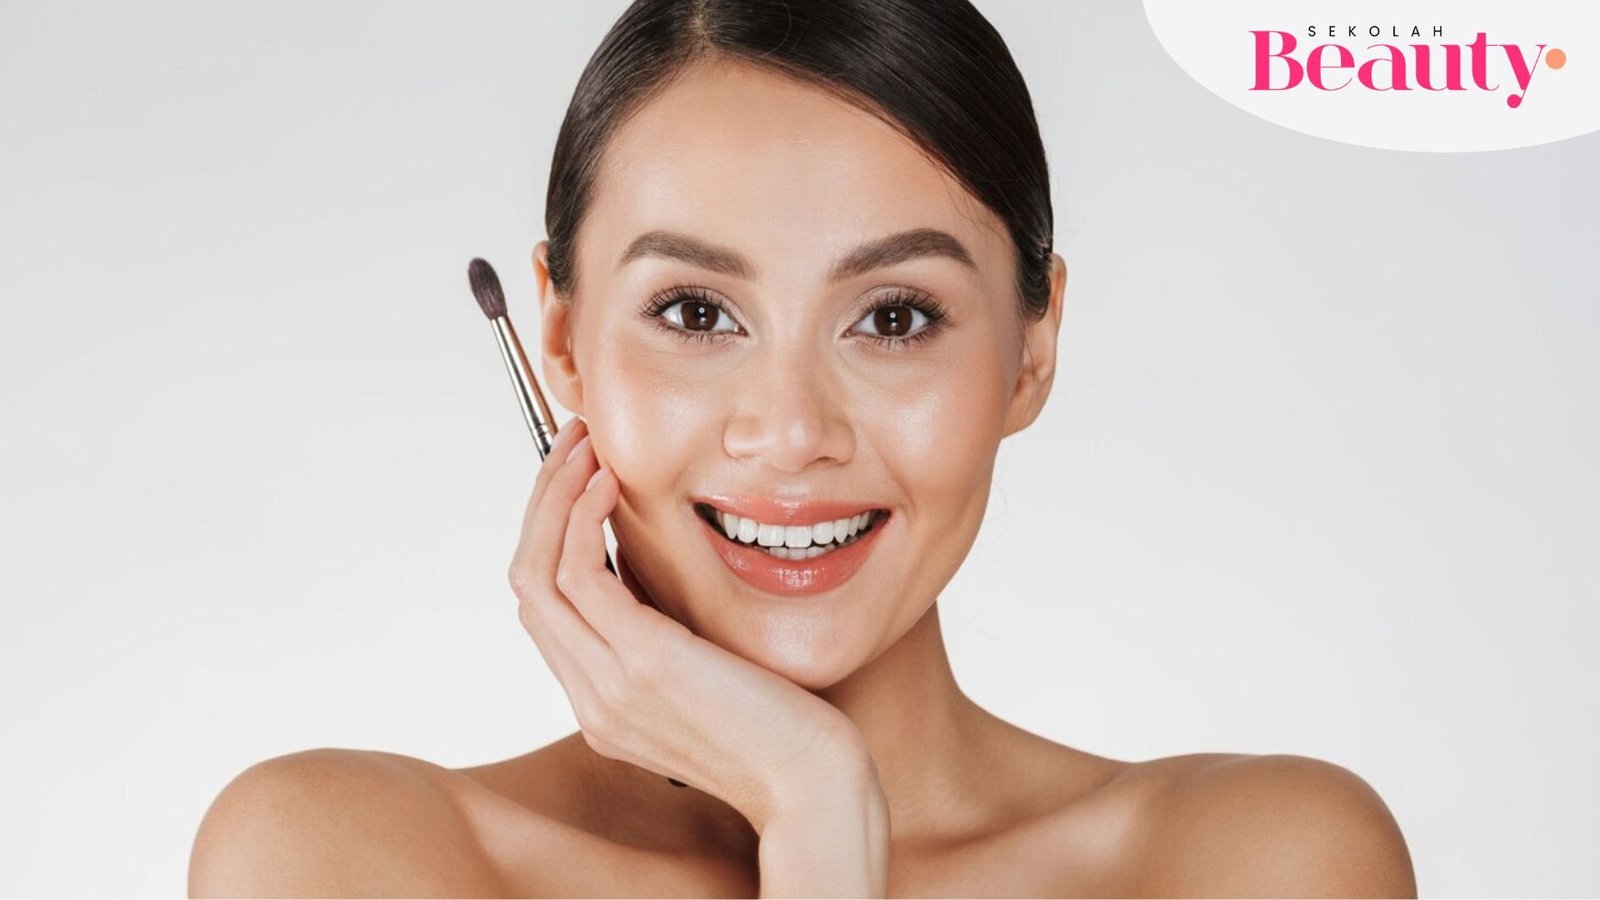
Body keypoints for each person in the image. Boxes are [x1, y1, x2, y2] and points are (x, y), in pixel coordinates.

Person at [189, 0, 1417, 895]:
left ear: (1031, 350)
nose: (789, 434)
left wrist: (818, 820)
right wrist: (808, 795)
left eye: (893, 319)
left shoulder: (1254, 863)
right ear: (560, 341)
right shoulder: (342, 859)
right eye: (694, 314)